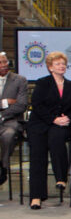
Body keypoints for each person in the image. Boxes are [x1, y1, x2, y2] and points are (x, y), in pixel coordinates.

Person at [28, 51, 71, 209]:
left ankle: (61, 178)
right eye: (57, 64)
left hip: (61, 125)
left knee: (57, 141)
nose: (61, 66)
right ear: (50, 67)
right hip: (40, 124)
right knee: (38, 157)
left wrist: (68, 118)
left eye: (63, 64)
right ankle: (36, 196)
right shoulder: (42, 83)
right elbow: (37, 105)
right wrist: (53, 119)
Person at [0, 52, 28, 185]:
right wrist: (5, 102)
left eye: (5, 62)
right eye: (0, 63)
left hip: (11, 121)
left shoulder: (19, 80)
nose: (4, 65)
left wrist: (2, 115)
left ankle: (3, 166)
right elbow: (11, 102)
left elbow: (21, 105)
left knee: (9, 135)